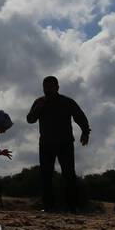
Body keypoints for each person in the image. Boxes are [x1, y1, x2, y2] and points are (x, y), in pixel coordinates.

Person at [26, 76, 90, 213]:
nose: (47, 90)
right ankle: (48, 207)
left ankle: (72, 207)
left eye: (50, 87)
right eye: (45, 87)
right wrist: (38, 108)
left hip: (65, 143)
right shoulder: (39, 102)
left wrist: (85, 132)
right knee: (46, 175)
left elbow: (79, 116)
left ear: (57, 87)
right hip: (46, 144)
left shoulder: (67, 102)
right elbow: (30, 119)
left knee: (69, 175)